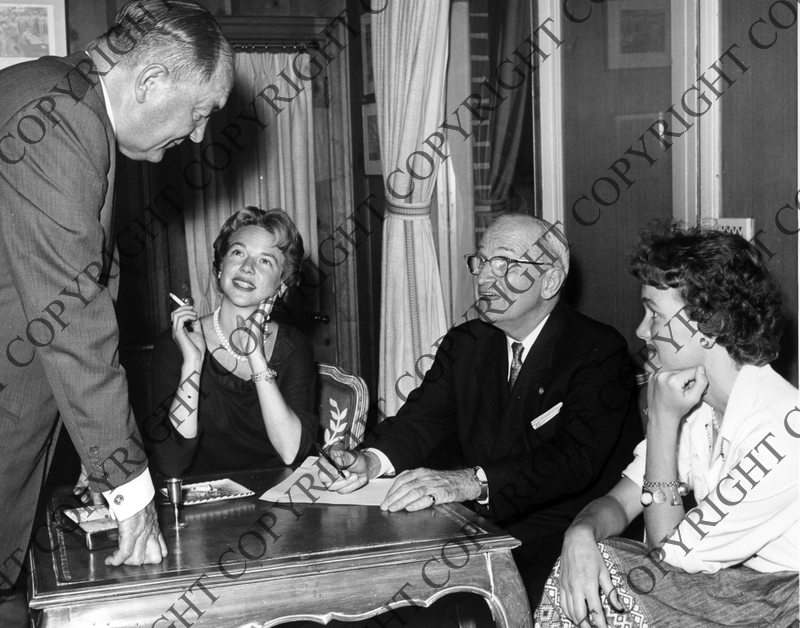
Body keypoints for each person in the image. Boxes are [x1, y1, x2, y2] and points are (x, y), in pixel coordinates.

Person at [0, 1, 233, 624]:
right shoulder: (61, 116)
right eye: (201, 112)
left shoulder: (70, 103)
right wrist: (131, 492)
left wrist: (98, 454)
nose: (200, 135)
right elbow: (74, 320)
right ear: (151, 80)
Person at [321, 214, 642, 605]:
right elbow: (422, 420)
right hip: (477, 529)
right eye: (481, 261)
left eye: (504, 263)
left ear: (550, 281)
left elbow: (571, 460)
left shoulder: (597, 350)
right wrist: (371, 461)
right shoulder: (466, 342)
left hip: (564, 537)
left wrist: (471, 481)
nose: (485, 276)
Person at [534, 226, 799, 628]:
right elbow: (622, 501)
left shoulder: (780, 432)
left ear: (709, 325)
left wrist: (661, 420)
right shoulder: (702, 405)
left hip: (784, 605)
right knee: (589, 561)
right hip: (746, 591)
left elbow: (667, 559)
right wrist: (580, 533)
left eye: (655, 314)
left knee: (617, 577)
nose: (642, 331)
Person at [148, 208, 317, 476]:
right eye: (238, 253)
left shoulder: (294, 348)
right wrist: (193, 363)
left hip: (274, 495)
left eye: (265, 261)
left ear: (282, 285)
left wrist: (256, 357)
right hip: (200, 496)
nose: (247, 267)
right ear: (220, 267)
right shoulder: (176, 344)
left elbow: (291, 451)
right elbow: (171, 463)